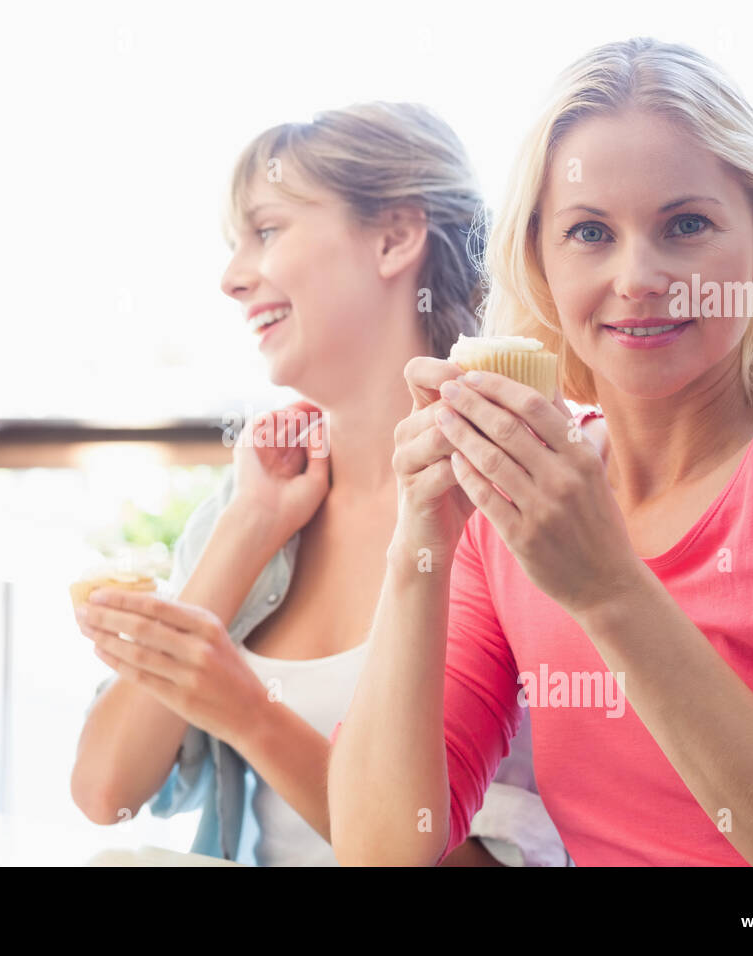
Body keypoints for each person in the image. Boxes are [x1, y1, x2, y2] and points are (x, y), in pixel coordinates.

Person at [328, 37, 753, 866]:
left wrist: (608, 588)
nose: (639, 275)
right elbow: (380, 851)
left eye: (686, 224)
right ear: (539, 261)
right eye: (589, 232)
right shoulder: (520, 495)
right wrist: (418, 544)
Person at [71, 102, 575, 866]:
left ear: (395, 237)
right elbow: (106, 792)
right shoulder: (256, 502)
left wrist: (249, 714)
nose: (233, 279)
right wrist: (246, 530)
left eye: (266, 231)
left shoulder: (514, 502)